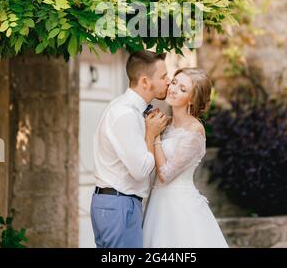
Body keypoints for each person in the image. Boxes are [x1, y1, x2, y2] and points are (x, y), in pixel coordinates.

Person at [90, 50, 170, 248]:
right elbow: (141, 170)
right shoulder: (125, 113)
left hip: (119, 203)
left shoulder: (131, 110)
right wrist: (151, 135)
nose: (168, 81)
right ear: (145, 82)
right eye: (163, 77)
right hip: (119, 204)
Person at [143, 67, 229, 248]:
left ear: (192, 99)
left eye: (183, 89)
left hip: (179, 207)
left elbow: (165, 175)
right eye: (174, 82)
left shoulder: (195, 130)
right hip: (157, 203)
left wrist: (155, 136)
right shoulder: (165, 123)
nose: (173, 89)